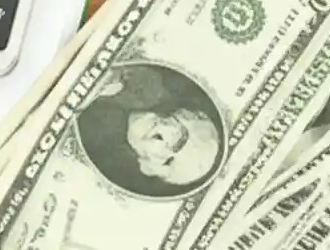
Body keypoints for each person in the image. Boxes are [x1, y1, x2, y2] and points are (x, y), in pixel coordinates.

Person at [75, 64, 224, 199]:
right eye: (185, 121)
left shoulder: (97, 148)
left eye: (175, 145)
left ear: (148, 168)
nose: (169, 128)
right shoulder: (147, 85)